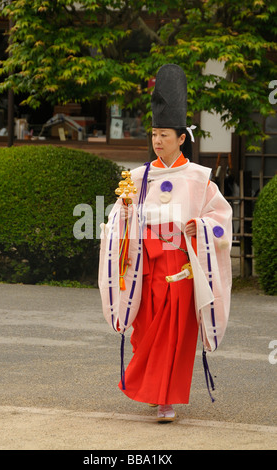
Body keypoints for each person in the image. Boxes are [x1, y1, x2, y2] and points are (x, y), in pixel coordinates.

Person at [99, 64, 232, 423]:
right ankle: (153, 391)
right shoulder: (139, 177)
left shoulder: (200, 179)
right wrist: (125, 214)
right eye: (154, 134)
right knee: (147, 334)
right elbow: (115, 223)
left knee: (175, 337)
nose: (158, 141)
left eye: (165, 135)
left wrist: (200, 226)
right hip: (147, 268)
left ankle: (165, 400)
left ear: (181, 137)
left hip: (183, 269)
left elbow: (222, 221)